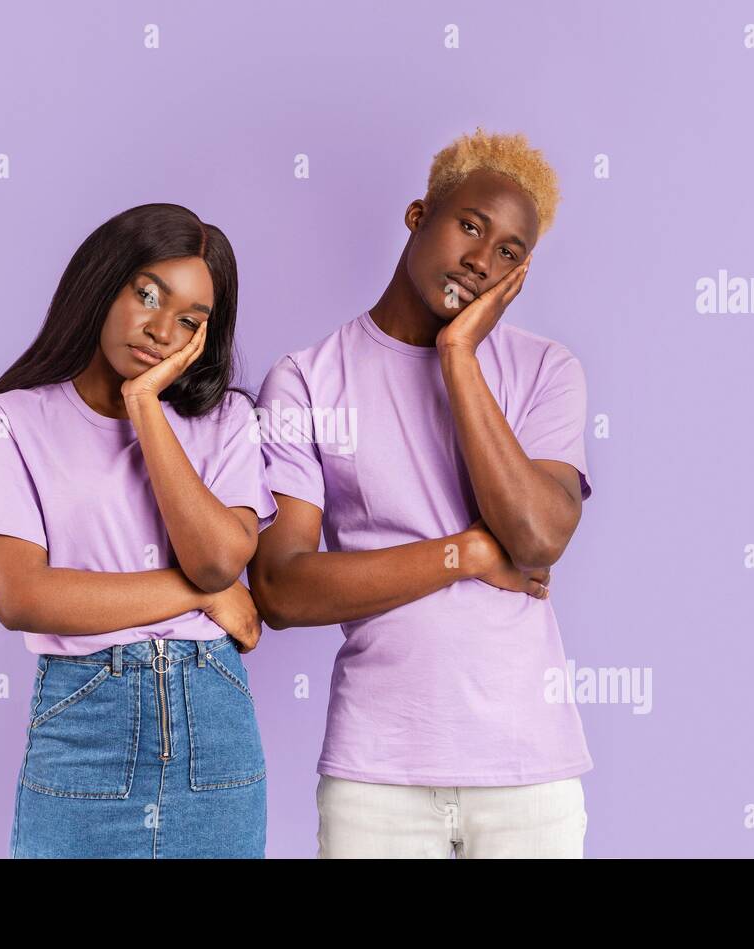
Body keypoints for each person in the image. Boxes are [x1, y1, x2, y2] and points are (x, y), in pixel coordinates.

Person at [248, 128, 594, 858]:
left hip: (527, 774)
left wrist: (458, 353)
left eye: (508, 252)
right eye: (470, 225)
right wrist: (465, 554)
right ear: (418, 216)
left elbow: (536, 537)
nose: (479, 260)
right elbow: (281, 586)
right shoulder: (308, 380)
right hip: (378, 774)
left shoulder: (545, 370)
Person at [0, 203, 276, 859]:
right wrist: (201, 598)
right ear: (104, 281)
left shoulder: (228, 420)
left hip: (214, 723)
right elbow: (22, 597)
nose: (159, 329)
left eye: (188, 321)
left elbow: (217, 559)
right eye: (147, 294)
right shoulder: (10, 421)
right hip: (84, 723)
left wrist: (144, 403)